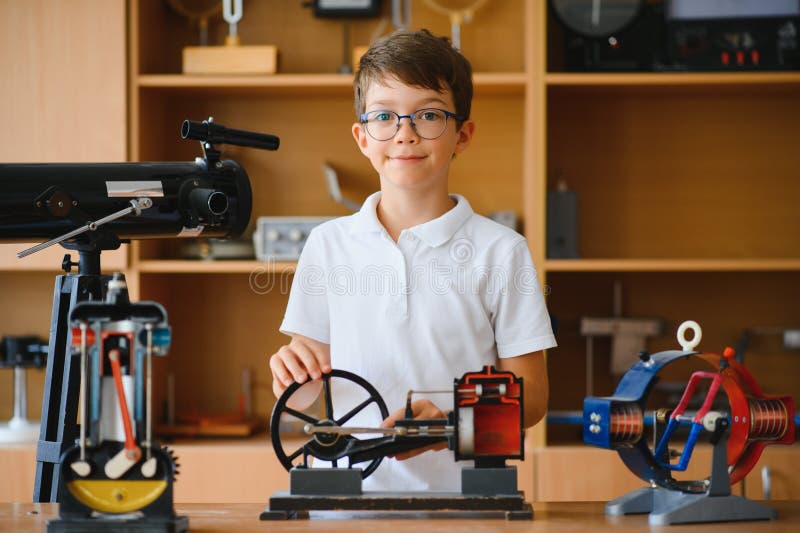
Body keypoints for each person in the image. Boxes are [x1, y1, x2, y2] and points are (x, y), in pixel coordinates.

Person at [269, 28, 556, 492]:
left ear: (462, 135)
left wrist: (446, 425)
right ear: (363, 138)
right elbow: (307, 388)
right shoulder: (327, 245)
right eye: (385, 116)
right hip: (347, 501)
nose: (405, 134)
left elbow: (533, 399)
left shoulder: (502, 252)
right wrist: (291, 374)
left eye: (428, 115)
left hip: (464, 504)